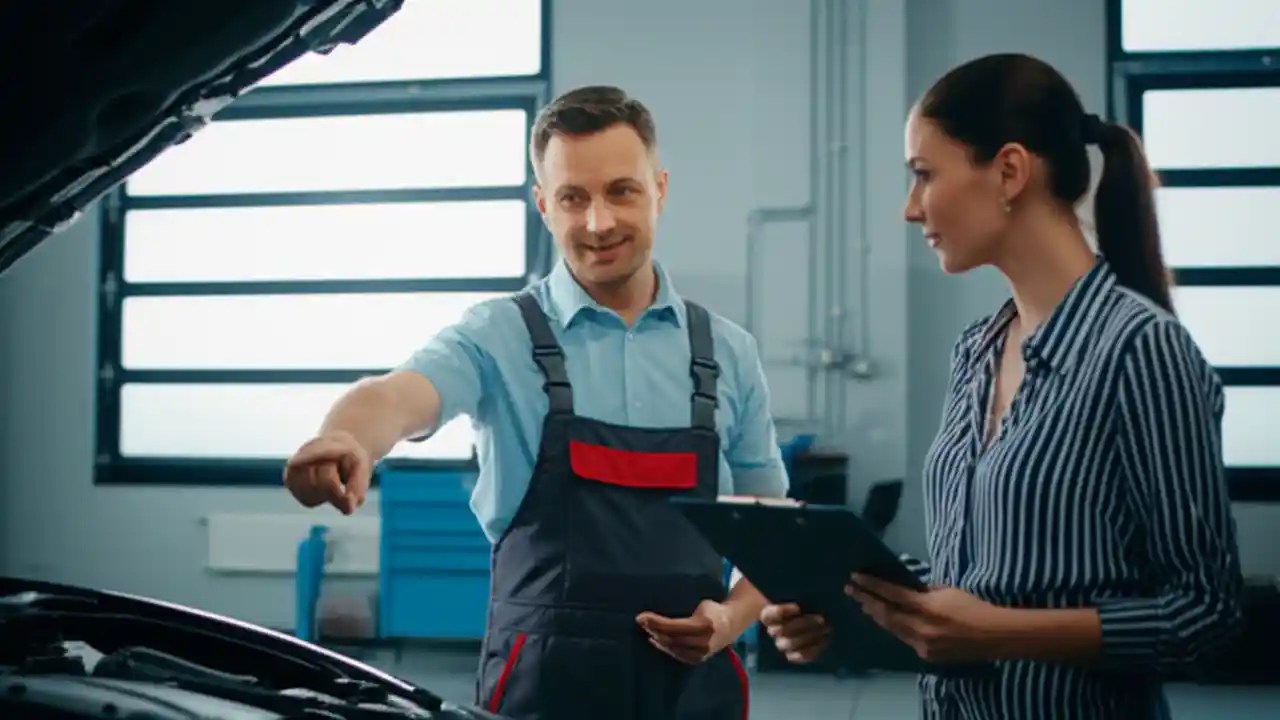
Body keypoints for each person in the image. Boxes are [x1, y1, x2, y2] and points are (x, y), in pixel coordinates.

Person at [760, 53, 1244, 719]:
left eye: (924, 175)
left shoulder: (1141, 350)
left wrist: (997, 634)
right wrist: (838, 605)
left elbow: (1205, 612)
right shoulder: (976, 352)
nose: (910, 208)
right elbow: (977, 583)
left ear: (1010, 171)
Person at [282, 85, 788, 719]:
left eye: (621, 191)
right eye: (574, 197)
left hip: (693, 694)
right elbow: (398, 394)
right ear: (544, 205)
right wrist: (347, 438)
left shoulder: (729, 353)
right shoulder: (500, 334)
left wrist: (733, 618)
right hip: (540, 689)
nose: (598, 222)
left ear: (660, 189)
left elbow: (777, 534)